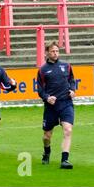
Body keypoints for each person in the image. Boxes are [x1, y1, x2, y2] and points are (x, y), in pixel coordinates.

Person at [36, 41, 76, 169]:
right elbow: (40, 90)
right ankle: (47, 152)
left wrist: (72, 90)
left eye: (57, 51)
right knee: (47, 136)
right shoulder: (42, 70)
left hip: (66, 103)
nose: (55, 53)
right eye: (53, 51)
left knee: (68, 130)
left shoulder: (67, 66)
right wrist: (47, 97)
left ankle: (65, 160)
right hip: (51, 107)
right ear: (47, 52)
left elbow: (72, 80)